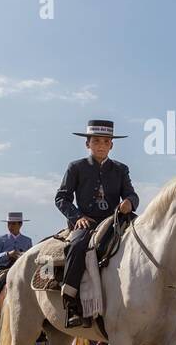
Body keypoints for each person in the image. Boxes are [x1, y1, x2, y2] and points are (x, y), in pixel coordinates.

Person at [54, 119, 139, 328]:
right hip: (86, 223)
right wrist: (77, 218)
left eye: (106, 141)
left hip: (114, 221)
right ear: (88, 144)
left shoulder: (121, 169)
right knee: (77, 246)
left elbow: (131, 194)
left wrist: (129, 202)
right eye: (96, 141)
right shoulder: (76, 167)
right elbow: (62, 198)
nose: (101, 145)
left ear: (112, 145)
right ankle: (72, 303)